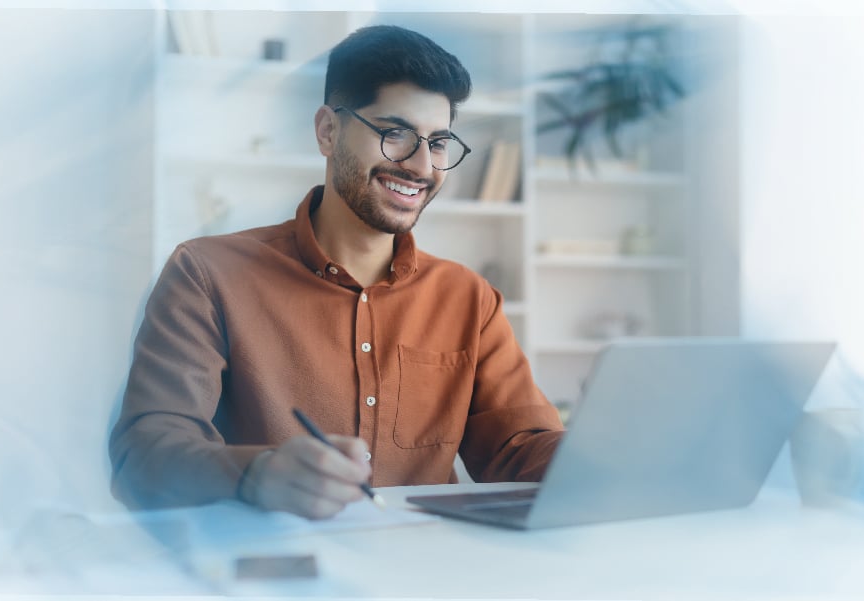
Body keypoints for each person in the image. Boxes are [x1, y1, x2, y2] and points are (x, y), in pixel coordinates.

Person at [108, 25, 564, 520]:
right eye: (394, 133)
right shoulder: (206, 274)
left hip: (427, 576)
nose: (420, 165)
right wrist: (256, 473)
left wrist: (610, 457)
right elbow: (145, 454)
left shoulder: (469, 298)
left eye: (438, 142)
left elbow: (518, 449)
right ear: (328, 131)